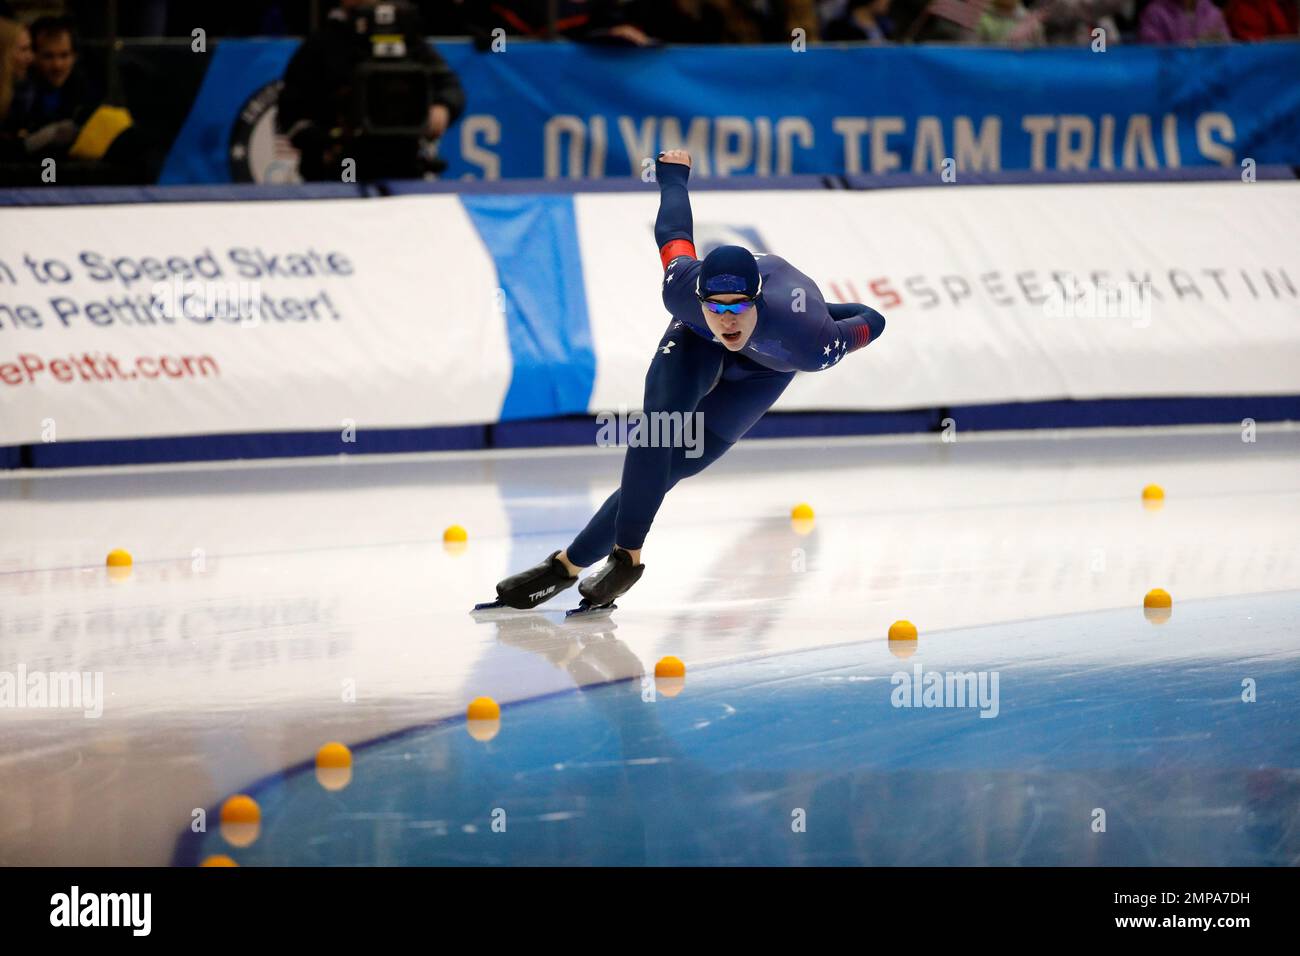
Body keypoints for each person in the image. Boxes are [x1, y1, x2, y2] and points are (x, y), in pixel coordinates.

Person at [488, 148, 887, 612]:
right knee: (657, 428)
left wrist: (830, 316)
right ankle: (624, 559)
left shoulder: (809, 342)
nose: (727, 320)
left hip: (767, 367)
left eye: (738, 306)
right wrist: (673, 176)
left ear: (758, 301)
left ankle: (567, 564)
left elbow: (872, 320)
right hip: (694, 343)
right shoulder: (682, 291)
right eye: (715, 306)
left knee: (677, 465)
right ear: (698, 297)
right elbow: (674, 230)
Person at [276, 0, 465, 181]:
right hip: (340, 164)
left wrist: (443, 107)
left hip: (402, 161)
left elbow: (449, 85)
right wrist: (323, 142)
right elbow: (290, 113)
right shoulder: (322, 44)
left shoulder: (406, 39)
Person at [1138, 0, 1231, 42]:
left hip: (1209, 79)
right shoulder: (1154, 13)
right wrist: (1196, 45)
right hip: (1171, 79)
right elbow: (1152, 57)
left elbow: (1227, 53)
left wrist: (1224, 44)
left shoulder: (1213, 13)